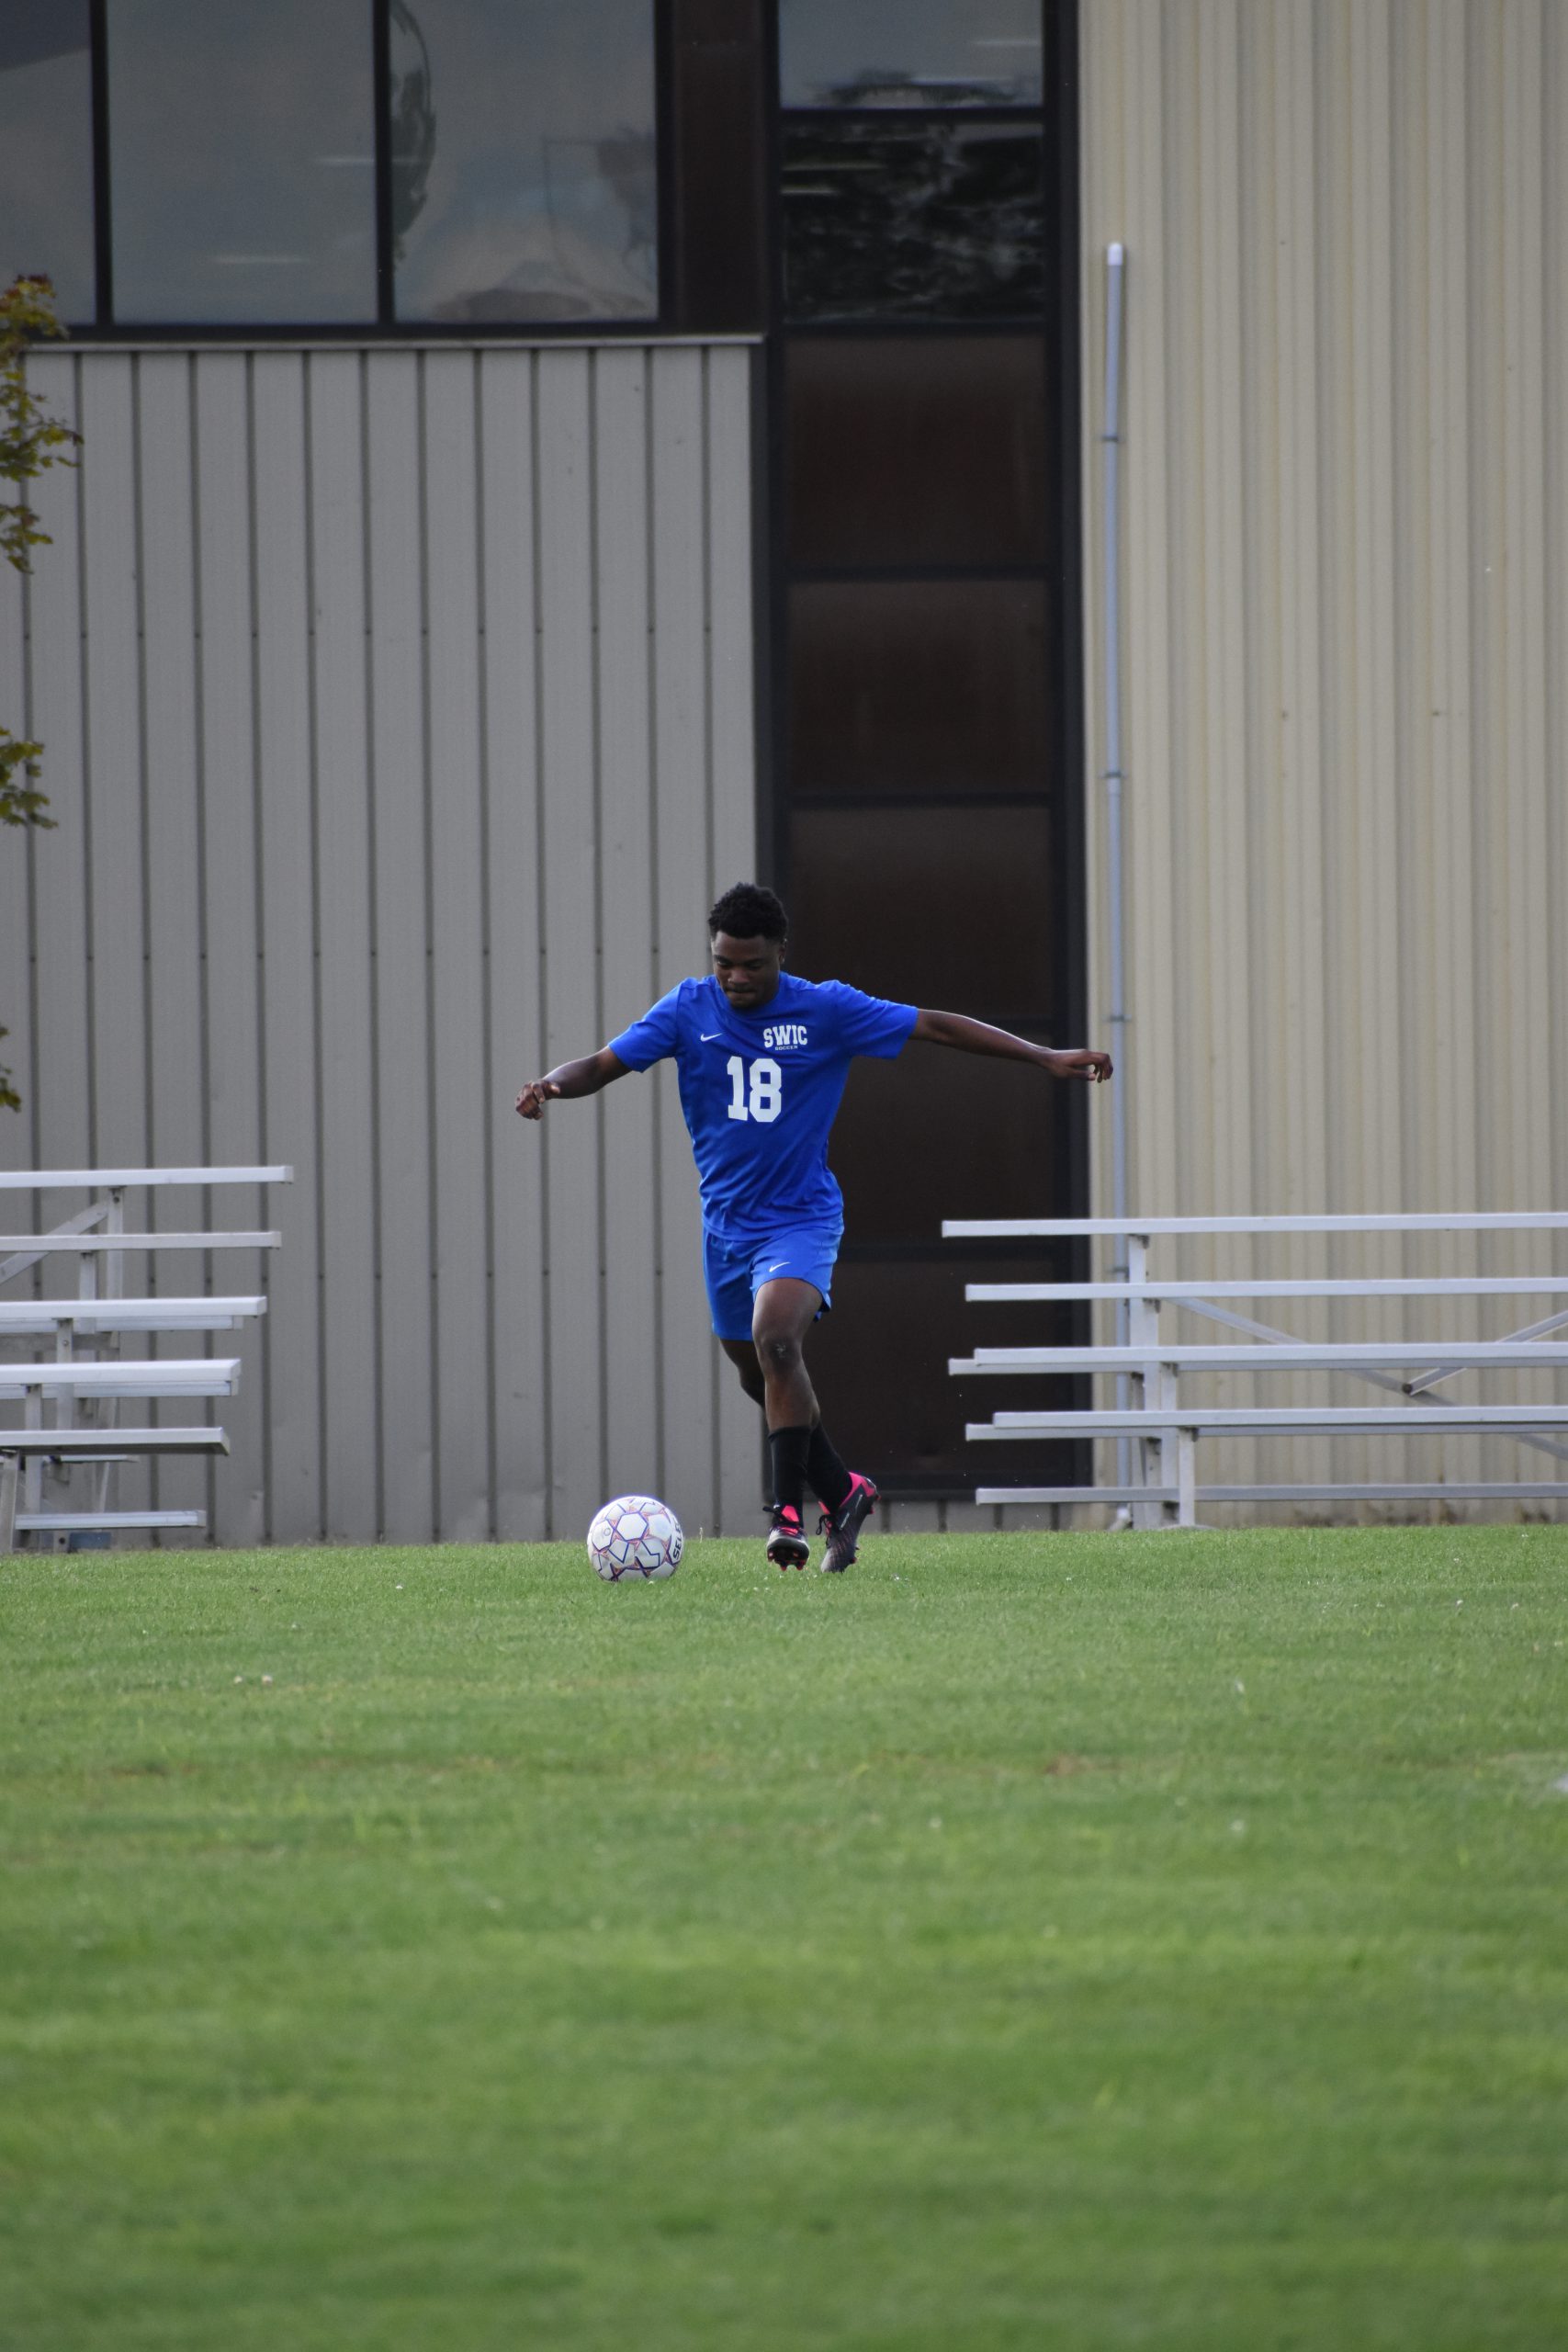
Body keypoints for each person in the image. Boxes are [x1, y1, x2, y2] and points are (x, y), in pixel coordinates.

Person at [516, 883, 1111, 1574]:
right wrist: (552, 1084)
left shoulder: (827, 1009)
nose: (736, 978)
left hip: (800, 1219)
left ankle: (785, 1515)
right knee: (760, 1375)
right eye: (723, 964)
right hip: (726, 1230)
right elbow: (601, 1064)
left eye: (752, 965)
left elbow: (935, 1026)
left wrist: (1043, 1056)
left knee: (776, 1339)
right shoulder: (686, 1009)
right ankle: (843, 1490)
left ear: (781, 954)